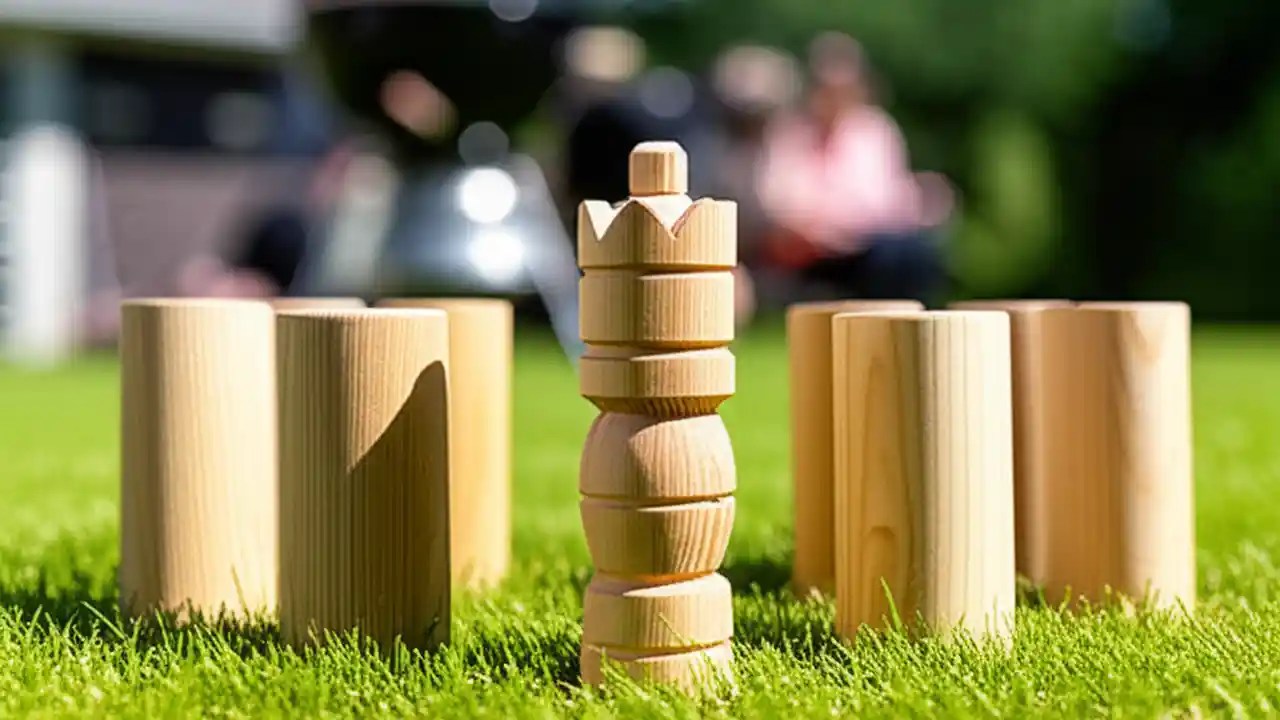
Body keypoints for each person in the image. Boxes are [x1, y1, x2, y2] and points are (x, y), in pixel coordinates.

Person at [746, 32, 953, 308]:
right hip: (811, 254)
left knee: (914, 254)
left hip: (868, 246)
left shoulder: (874, 130)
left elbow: (886, 199)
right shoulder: (789, 133)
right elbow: (778, 202)